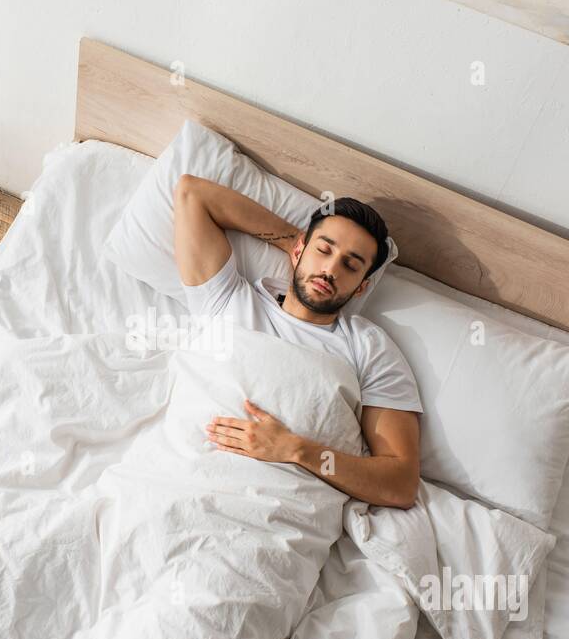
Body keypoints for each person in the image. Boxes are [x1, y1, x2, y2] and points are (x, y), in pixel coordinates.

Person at [173, 174, 422, 509]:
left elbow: (401, 483)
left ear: (362, 287)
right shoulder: (228, 297)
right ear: (299, 249)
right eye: (324, 250)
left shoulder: (369, 348)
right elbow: (193, 193)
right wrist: (296, 245)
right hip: (178, 475)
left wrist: (294, 449)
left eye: (350, 265)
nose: (331, 269)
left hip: (274, 505)